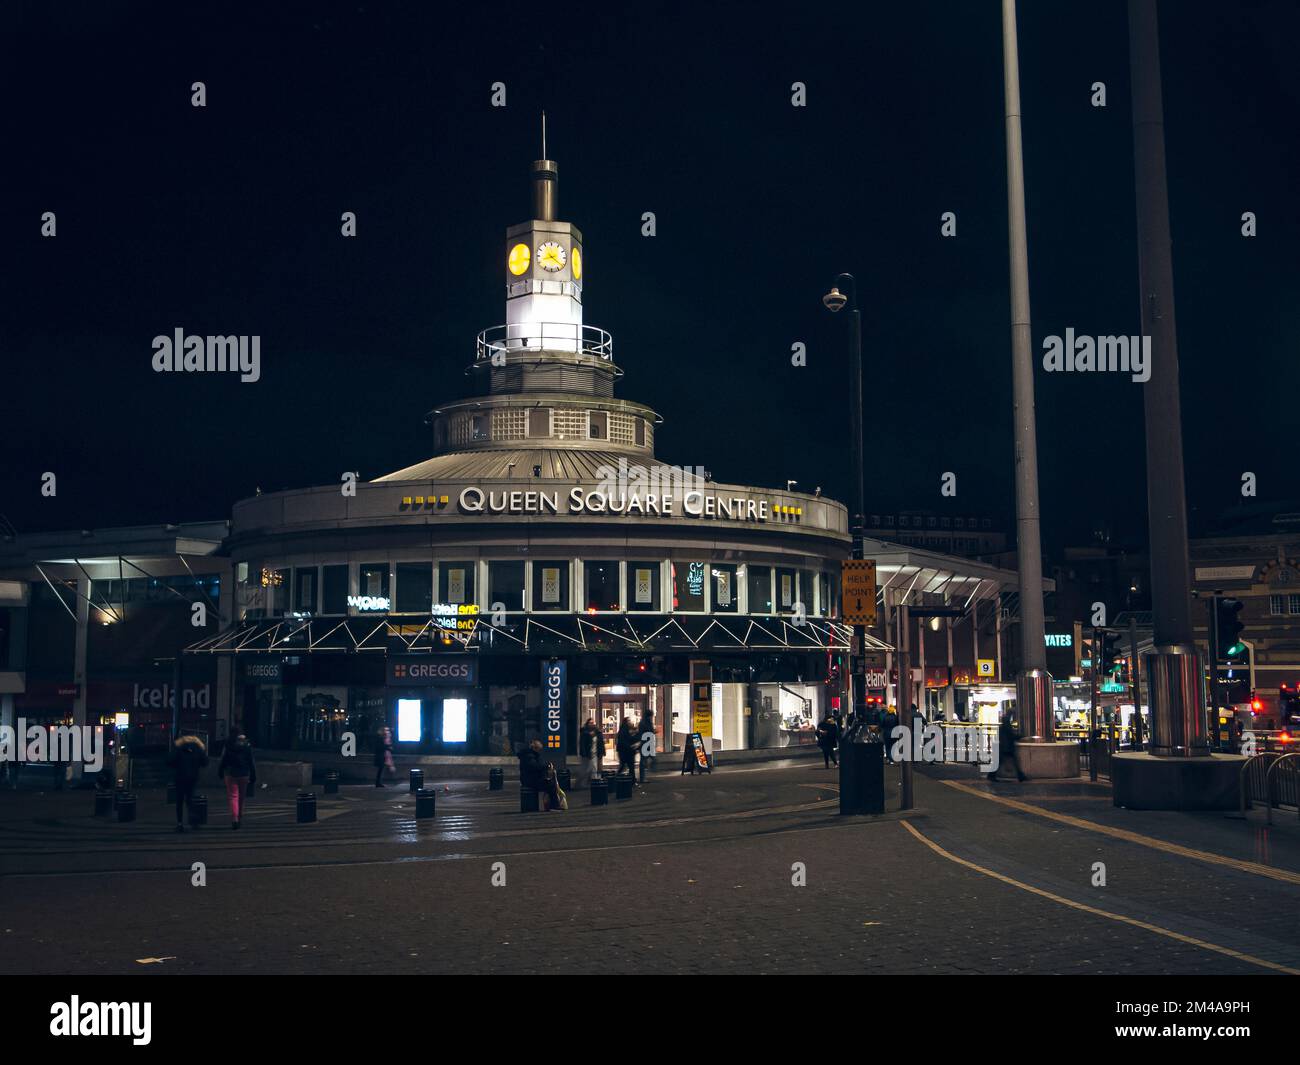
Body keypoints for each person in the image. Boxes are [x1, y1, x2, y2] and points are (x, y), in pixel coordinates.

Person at [167, 734, 208, 832]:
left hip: (180, 777)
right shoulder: (198, 748)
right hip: (193, 777)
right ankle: (194, 822)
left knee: (179, 801)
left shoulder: (178, 747)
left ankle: (180, 823)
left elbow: (170, 761)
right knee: (190, 799)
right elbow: (205, 762)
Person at [218, 732, 256, 829]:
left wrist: (220, 771)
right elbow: (251, 762)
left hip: (230, 774)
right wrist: (253, 775)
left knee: (233, 796)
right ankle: (239, 817)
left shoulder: (228, 746)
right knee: (242, 797)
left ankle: (234, 818)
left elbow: (223, 760)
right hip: (244, 774)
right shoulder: (247, 747)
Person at [517, 739, 560, 810]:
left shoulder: (530, 755)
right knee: (551, 786)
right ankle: (554, 806)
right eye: (539, 749)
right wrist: (546, 766)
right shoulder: (529, 756)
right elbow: (535, 766)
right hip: (530, 781)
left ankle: (552, 805)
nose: (540, 751)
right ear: (535, 748)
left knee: (550, 784)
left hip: (530, 779)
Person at [995, 713, 1027, 782]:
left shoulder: (1001, 728)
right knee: (1015, 761)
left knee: (1000, 761)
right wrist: (1020, 736)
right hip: (1008, 747)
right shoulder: (1008, 727)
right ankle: (1020, 776)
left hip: (1004, 747)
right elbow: (1012, 736)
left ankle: (991, 775)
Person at [578, 718, 601, 787]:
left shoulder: (597, 732)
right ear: (587, 724)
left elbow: (600, 743)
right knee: (587, 769)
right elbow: (582, 744)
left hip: (595, 753)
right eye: (590, 723)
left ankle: (594, 782)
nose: (592, 724)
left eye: (593, 723)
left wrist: (602, 751)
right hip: (588, 754)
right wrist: (584, 753)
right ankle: (582, 783)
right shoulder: (584, 732)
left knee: (594, 768)